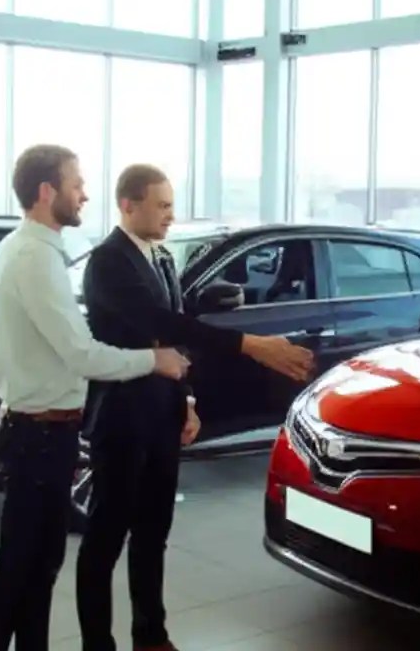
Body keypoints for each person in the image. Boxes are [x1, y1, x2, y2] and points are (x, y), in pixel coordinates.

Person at [74, 164, 315, 651]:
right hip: (121, 418)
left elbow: (176, 340)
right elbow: (158, 322)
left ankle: (151, 635)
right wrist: (250, 345)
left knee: (153, 533)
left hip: (163, 414)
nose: (170, 215)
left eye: (171, 205)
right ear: (128, 205)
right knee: (105, 536)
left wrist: (187, 400)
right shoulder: (108, 261)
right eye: (161, 206)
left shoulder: (162, 258)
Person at [0, 145, 191, 651]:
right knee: (18, 569)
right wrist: (153, 360)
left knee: (39, 567)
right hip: (39, 434)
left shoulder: (28, 250)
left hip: (42, 429)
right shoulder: (35, 258)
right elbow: (82, 354)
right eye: (76, 185)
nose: (84, 195)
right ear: (47, 191)